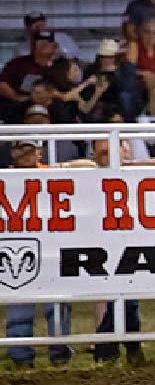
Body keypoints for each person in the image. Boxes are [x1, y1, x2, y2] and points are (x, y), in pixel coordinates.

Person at [4, 142, 72, 368]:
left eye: (31, 149)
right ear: (12, 153)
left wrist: (62, 165)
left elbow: (88, 165)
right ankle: (21, 357)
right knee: (18, 306)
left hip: (50, 249)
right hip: (17, 249)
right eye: (21, 149)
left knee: (58, 305)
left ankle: (59, 354)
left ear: (40, 152)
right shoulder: (5, 176)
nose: (25, 154)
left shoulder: (52, 173)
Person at [1, 29, 59, 122]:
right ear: (33, 44)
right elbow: (2, 84)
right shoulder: (18, 63)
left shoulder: (62, 66)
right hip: (22, 107)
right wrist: (16, 97)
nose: (43, 43)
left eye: (47, 41)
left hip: (53, 108)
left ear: (55, 46)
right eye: (39, 41)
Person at [81, 39, 142, 122]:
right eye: (104, 56)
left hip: (121, 106)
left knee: (126, 96)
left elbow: (129, 89)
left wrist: (115, 73)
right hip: (100, 107)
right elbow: (87, 96)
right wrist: (98, 88)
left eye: (111, 56)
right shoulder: (91, 71)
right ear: (99, 57)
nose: (107, 59)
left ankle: (124, 118)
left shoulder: (125, 69)